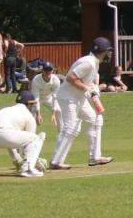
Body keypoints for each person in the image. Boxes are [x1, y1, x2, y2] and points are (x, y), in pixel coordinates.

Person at [48, 37, 114, 170]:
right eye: (107, 51)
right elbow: (71, 78)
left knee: (95, 119)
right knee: (70, 128)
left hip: (78, 97)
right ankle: (56, 161)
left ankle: (94, 157)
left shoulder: (94, 63)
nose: (108, 54)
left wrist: (94, 88)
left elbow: (88, 81)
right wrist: (87, 89)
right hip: (68, 97)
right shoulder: (88, 62)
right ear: (101, 51)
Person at [0, 90, 46, 177]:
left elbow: (9, 140)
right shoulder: (28, 116)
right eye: (32, 104)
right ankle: (27, 169)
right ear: (29, 103)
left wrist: (17, 160)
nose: (32, 106)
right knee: (35, 138)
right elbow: (27, 146)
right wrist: (35, 161)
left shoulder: (5, 109)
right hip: (4, 135)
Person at [30, 64, 61, 128]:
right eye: (46, 70)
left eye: (49, 70)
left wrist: (53, 114)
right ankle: (30, 135)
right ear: (42, 70)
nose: (48, 72)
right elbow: (36, 98)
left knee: (58, 111)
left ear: (52, 71)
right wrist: (38, 114)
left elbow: (55, 97)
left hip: (48, 98)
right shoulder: (36, 80)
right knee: (31, 115)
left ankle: (61, 134)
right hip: (35, 98)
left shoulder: (56, 80)